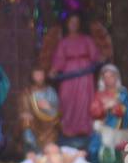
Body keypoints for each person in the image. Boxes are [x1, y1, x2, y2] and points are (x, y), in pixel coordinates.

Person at [43, 14, 109, 149]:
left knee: (84, 101)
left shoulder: (87, 40)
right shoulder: (63, 42)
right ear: (67, 24)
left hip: (85, 76)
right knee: (67, 101)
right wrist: (54, 70)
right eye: (71, 22)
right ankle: (68, 130)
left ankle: (84, 129)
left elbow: (95, 56)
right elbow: (59, 60)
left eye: (76, 22)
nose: (74, 24)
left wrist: (100, 59)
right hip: (69, 74)